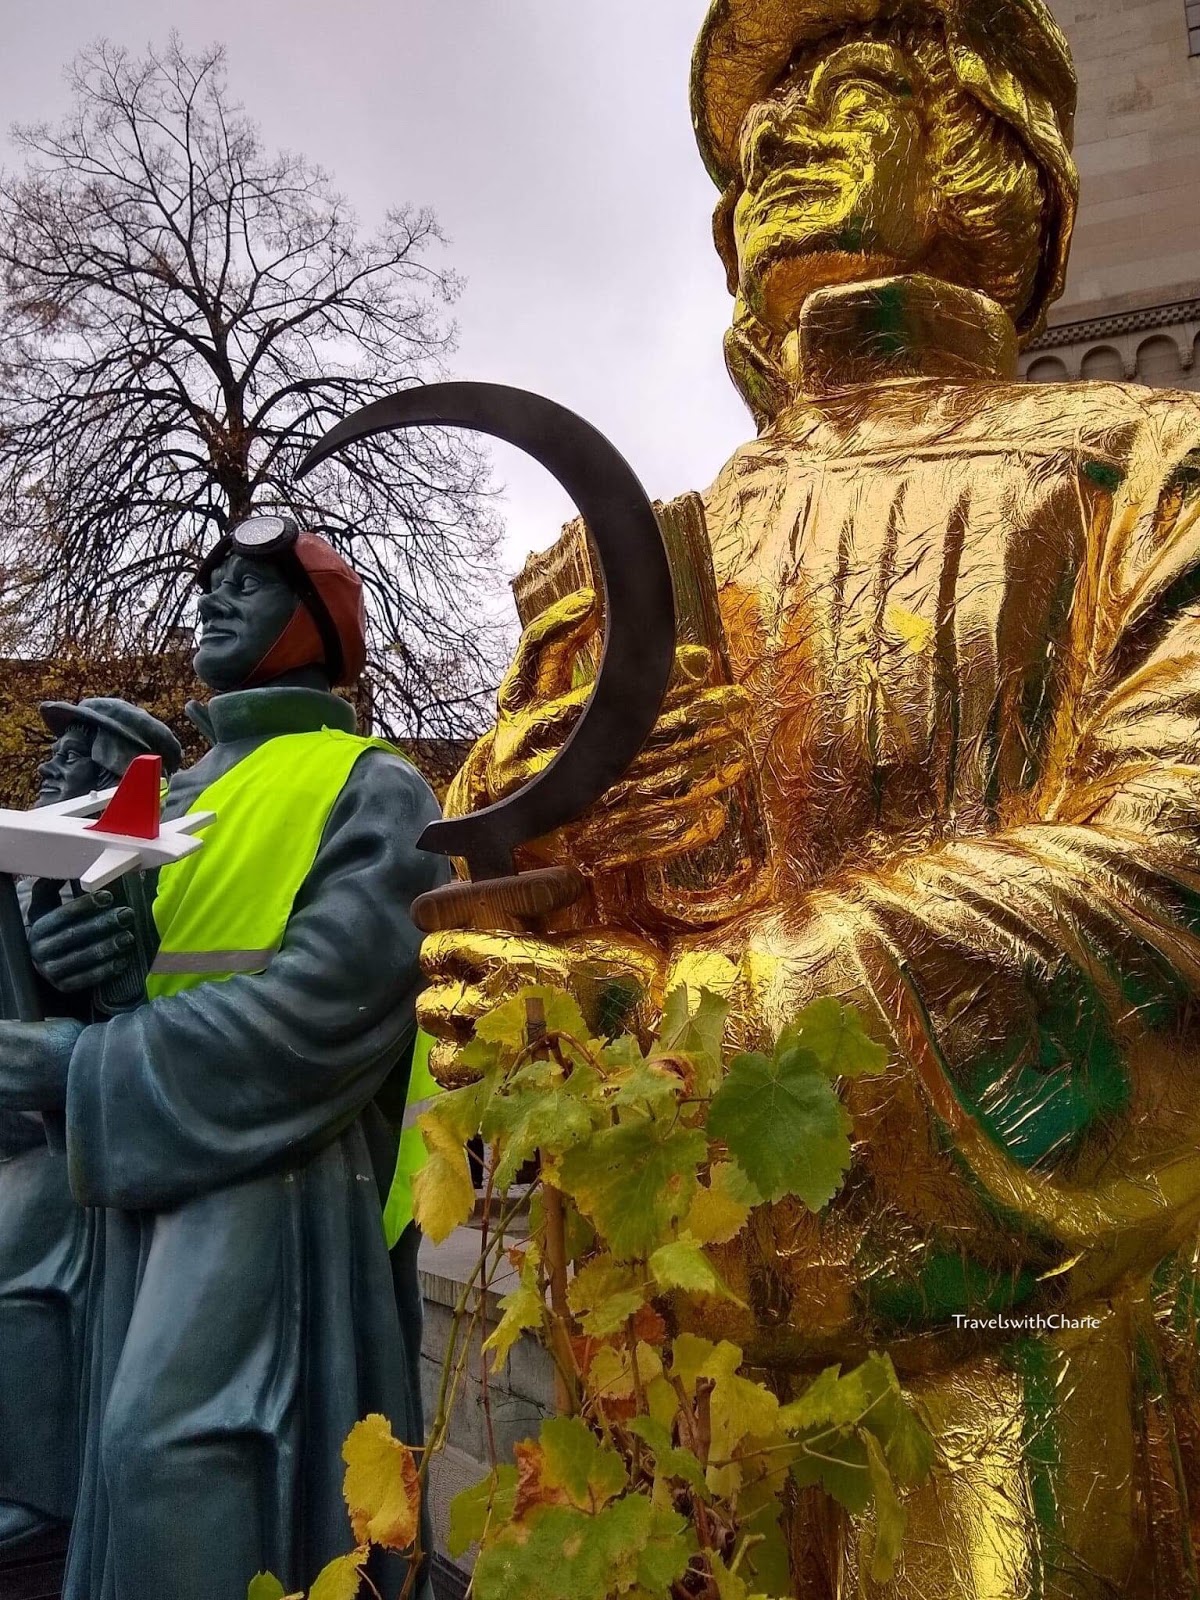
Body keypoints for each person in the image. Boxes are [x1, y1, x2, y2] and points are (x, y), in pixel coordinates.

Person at [417, 2, 1200, 1593]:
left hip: (1023, 1370)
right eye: (752, 127)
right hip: (669, 1391)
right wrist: (525, 908)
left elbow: (1171, 884)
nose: (773, 140)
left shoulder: (1142, 465)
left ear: (995, 151)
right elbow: (514, 872)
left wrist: (702, 1029)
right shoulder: (658, 540)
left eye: (840, 92)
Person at [0, 518, 445, 1600]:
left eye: (253, 581)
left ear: (319, 623)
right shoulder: (170, 789)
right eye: (211, 577)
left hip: (281, 1179)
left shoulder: (373, 785)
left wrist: (84, 1063)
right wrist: (91, 961)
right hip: (147, 1175)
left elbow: (326, 1007)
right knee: (114, 1450)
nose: (216, 592)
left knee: (173, 1453)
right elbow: (137, 964)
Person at [0, 700, 182, 1558]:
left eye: (74, 756)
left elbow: (119, 981)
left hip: (64, 1132)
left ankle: (40, 1491)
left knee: (23, 1285)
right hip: (23, 1123)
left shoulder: (103, 864)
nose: (50, 764)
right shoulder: (35, 864)